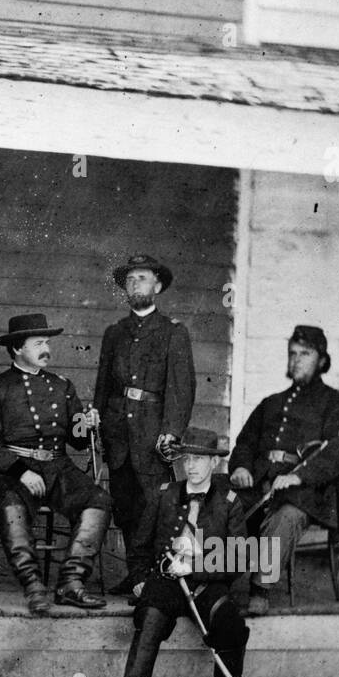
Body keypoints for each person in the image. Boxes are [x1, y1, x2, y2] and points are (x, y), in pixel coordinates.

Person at [104, 427, 251, 677]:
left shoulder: (230, 502)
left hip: (208, 584)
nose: (192, 466)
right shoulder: (164, 495)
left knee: (229, 620)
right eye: (188, 459)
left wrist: (195, 570)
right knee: (153, 616)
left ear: (214, 464)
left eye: (200, 459)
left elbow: (237, 558)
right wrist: (139, 579)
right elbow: (140, 546)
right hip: (167, 581)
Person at [0, 314, 113, 613]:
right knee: (10, 504)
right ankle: (33, 585)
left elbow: (76, 440)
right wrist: (20, 471)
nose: (46, 348)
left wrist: (87, 425)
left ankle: (71, 583)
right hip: (10, 471)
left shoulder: (62, 385)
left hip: (57, 468)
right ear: (17, 349)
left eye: (47, 342)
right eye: (38, 343)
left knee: (98, 499)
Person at [229, 325, 339, 616]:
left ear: (322, 361)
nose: (296, 359)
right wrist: (240, 468)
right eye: (293, 354)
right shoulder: (271, 403)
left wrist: (298, 475)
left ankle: (260, 590)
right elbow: (245, 442)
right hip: (258, 484)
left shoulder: (335, 403)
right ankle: (205, 580)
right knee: (217, 499)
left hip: (304, 492)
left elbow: (338, 451)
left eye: (305, 354)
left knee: (286, 516)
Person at [94, 254, 196, 596]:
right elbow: (103, 385)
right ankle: (136, 573)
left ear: (158, 286)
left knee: (154, 506)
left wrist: (172, 432)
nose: (135, 284)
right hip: (118, 434)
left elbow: (181, 390)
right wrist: (99, 418)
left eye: (142, 277)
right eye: (130, 279)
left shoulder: (173, 333)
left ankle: (154, 575)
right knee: (124, 507)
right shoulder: (115, 333)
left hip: (153, 435)